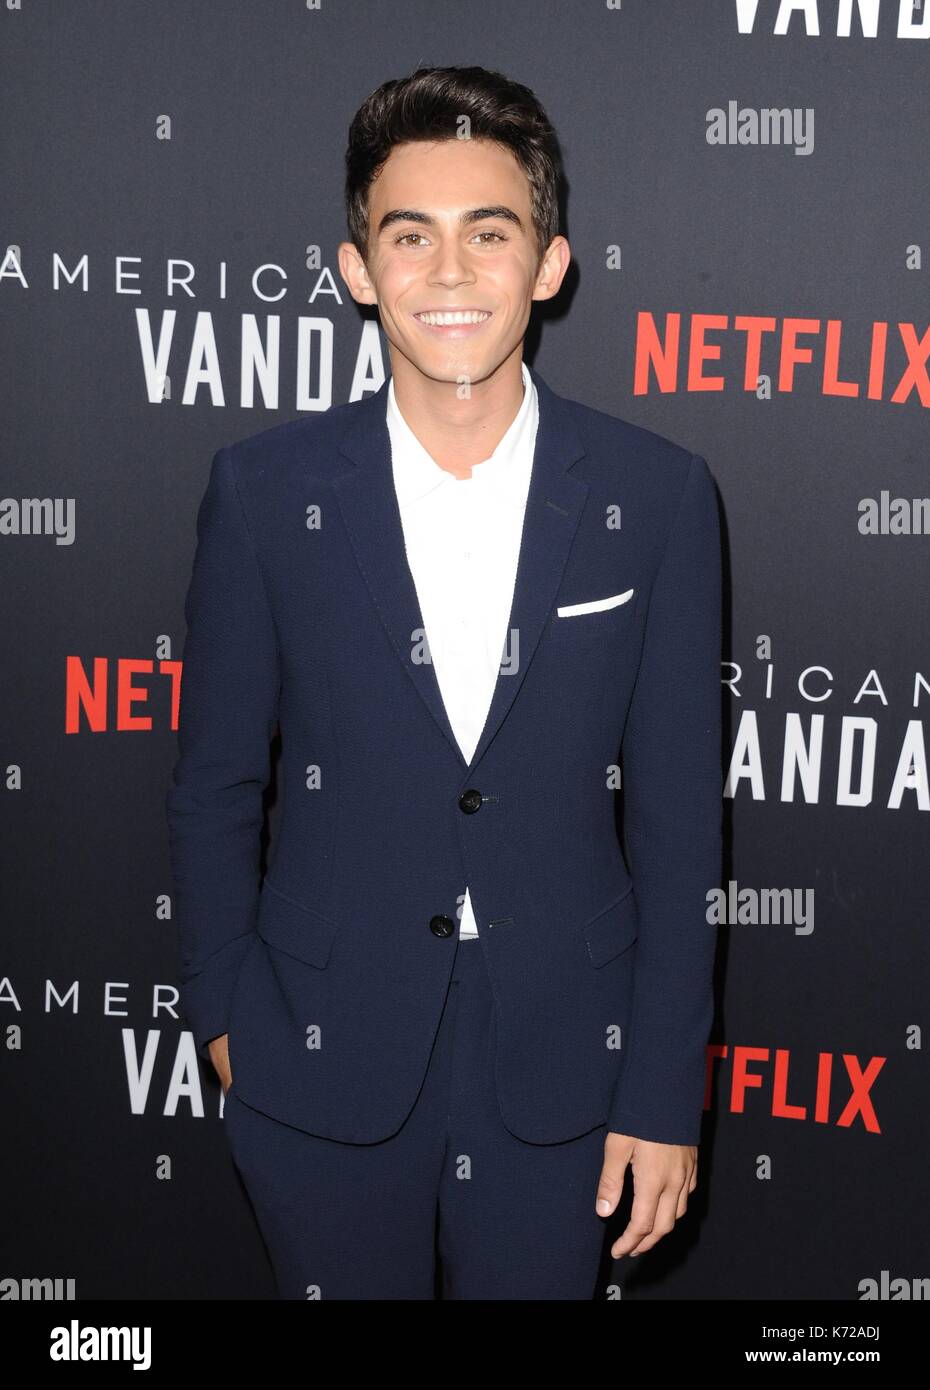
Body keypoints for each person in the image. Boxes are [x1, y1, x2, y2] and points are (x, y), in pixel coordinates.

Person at [166, 64, 723, 1300]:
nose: (453, 272)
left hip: (570, 1059)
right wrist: (224, 1019)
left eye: (491, 232)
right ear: (359, 270)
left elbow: (683, 828)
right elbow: (214, 786)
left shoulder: (660, 495)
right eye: (409, 237)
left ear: (552, 263)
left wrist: (662, 1091)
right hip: (314, 1048)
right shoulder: (265, 492)